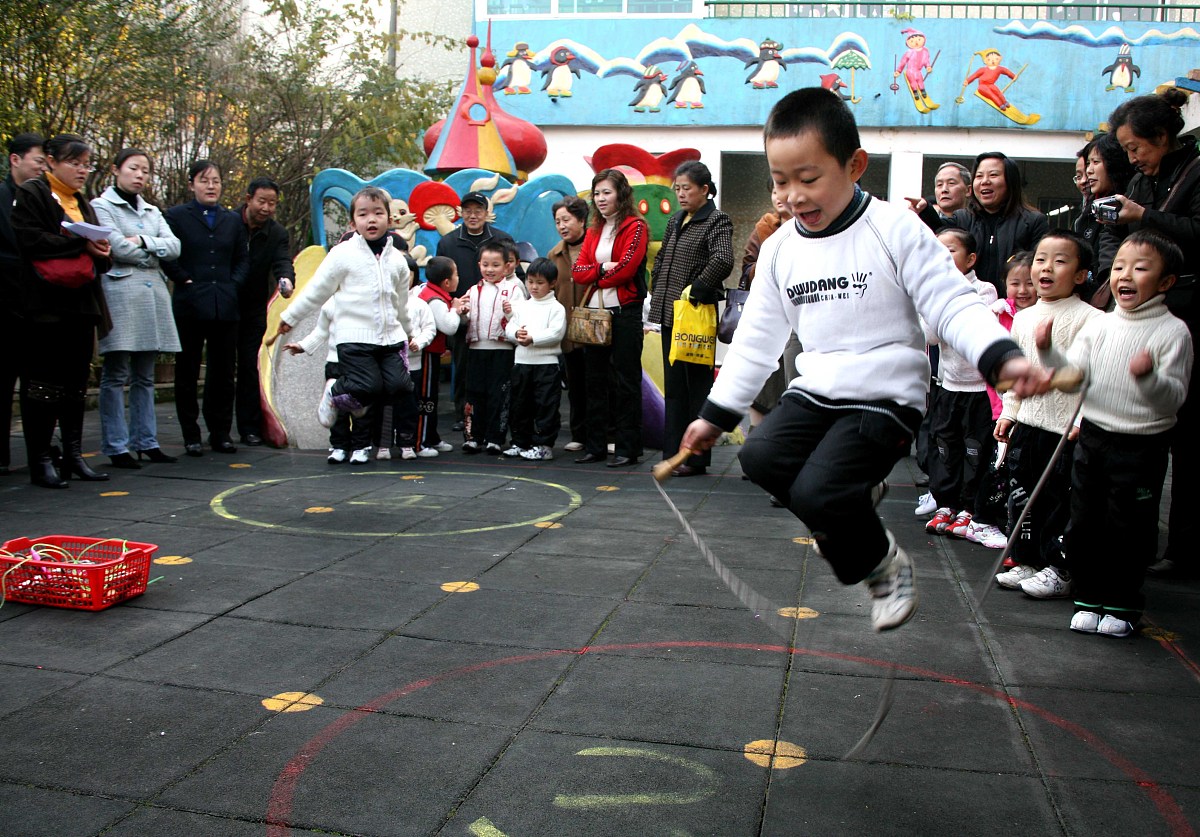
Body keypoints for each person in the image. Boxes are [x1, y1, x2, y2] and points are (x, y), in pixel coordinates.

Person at [680, 88, 1051, 632]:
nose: (793, 196)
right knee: (759, 458)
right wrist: (713, 416)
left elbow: (950, 302)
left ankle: (881, 565)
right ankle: (852, 502)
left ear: (855, 166)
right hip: (818, 386)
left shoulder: (893, 228)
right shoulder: (783, 247)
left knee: (817, 492)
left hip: (887, 392)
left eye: (808, 179)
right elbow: (758, 340)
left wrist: (1000, 355)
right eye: (780, 182)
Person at [1038, 230, 1193, 636]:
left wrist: (1147, 379)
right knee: (1084, 521)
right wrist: (1048, 353)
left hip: (1141, 443)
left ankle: (1122, 606)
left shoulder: (1172, 332)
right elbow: (1072, 380)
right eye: (1120, 265)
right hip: (1094, 436)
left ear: (1165, 283)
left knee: (1128, 527)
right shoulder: (1100, 325)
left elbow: (1172, 399)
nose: (1125, 274)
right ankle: (1088, 596)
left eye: (1140, 268)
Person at [1099, 89, 1200, 579]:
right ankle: (1135, 539)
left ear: (1163, 137)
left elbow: (1194, 231)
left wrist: (1145, 218)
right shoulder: (1141, 178)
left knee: (1184, 434)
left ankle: (1183, 547)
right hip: (1136, 313)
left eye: (1136, 147)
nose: (1132, 157)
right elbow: (1123, 238)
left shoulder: (1195, 172)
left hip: (1186, 309)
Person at [993, 231, 1102, 594]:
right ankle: (1027, 559)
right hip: (1028, 425)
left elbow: (1090, 377)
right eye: (1041, 259)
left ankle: (1060, 566)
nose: (1047, 268)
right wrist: (1009, 412)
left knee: (1060, 500)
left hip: (1065, 429)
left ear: (1082, 274)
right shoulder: (1024, 318)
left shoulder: (1091, 319)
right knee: (1024, 495)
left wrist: (1083, 419)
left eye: (1060, 260)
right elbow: (1017, 371)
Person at [274, 186, 412, 464]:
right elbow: (316, 291)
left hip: (389, 338)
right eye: (363, 215)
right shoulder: (342, 255)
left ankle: (347, 396)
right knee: (368, 387)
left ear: (390, 219)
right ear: (353, 223)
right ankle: (335, 391)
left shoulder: (397, 261)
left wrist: (408, 332)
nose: (371, 220)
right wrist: (290, 317)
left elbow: (401, 304)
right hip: (355, 338)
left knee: (401, 385)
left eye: (377, 213)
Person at [10, 133, 113, 487]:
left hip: (81, 303)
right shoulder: (33, 193)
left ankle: (72, 455)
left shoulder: (81, 201)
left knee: (74, 383)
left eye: (87, 165)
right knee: (42, 383)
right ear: (51, 161)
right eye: (75, 163)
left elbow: (100, 252)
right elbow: (30, 239)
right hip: (44, 304)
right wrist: (79, 242)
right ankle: (40, 459)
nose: (82, 171)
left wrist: (100, 249)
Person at [90, 148, 182, 469]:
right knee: (115, 374)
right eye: (133, 168)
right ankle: (116, 445)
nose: (140, 175)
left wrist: (142, 242)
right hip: (120, 292)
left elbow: (174, 247)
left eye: (145, 170)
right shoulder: (101, 206)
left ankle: (147, 441)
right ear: (116, 170)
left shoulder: (153, 211)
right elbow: (115, 245)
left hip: (152, 295)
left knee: (145, 374)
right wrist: (148, 249)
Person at [647, 161, 735, 477]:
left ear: (705, 189)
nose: (681, 194)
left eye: (687, 188)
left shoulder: (716, 219)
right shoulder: (675, 220)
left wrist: (697, 289)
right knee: (674, 386)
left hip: (695, 315)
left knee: (695, 385)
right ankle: (672, 454)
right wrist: (655, 285)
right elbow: (663, 260)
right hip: (672, 313)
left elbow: (723, 258)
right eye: (678, 188)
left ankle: (695, 459)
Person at [162, 160, 249, 456]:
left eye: (216, 180)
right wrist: (183, 279)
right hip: (190, 302)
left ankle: (221, 432)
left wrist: (232, 284)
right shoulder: (175, 216)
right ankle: (190, 434)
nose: (211, 186)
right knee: (186, 371)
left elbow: (241, 259)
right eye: (204, 180)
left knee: (223, 372)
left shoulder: (233, 220)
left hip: (224, 304)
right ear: (191, 184)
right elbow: (167, 254)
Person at [921, 229, 999, 541]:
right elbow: (931, 336)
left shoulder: (985, 291)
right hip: (948, 384)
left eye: (950, 250)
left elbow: (967, 331)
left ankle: (969, 507)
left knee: (974, 450)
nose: (942, 256)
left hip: (978, 389)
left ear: (970, 259)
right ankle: (947, 503)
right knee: (945, 447)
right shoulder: (933, 290)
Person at [572, 169, 649, 467]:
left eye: (607, 192)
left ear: (621, 194)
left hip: (625, 312)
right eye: (597, 193)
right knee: (595, 380)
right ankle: (596, 446)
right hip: (594, 314)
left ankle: (628, 449)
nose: (601, 198)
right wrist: (604, 270)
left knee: (627, 381)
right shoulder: (593, 230)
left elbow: (628, 269)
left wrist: (598, 272)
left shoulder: (635, 227)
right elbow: (579, 273)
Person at [434, 190, 516, 431]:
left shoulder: (501, 240)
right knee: (464, 368)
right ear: (461, 213)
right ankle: (464, 415)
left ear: (486, 213)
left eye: (478, 210)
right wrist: (453, 305)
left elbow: (514, 275)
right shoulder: (448, 242)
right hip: (463, 316)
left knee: (498, 371)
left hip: (497, 319)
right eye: (467, 211)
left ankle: (497, 415)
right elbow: (441, 279)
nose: (473, 215)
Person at [925, 152, 1049, 297]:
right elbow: (937, 232)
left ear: (1010, 181)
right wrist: (924, 211)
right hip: (971, 304)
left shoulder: (1033, 221)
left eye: (993, 175)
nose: (985, 181)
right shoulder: (962, 219)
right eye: (979, 176)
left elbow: (1040, 267)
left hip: (1015, 308)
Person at [0, 133, 46, 475]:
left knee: (38, 384)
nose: (42, 167)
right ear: (15, 160)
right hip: (6, 300)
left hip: (38, 302)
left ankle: (39, 453)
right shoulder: (3, 198)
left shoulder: (45, 199)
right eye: (38, 160)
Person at [236, 177, 294, 447]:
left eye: (272, 203)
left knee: (250, 365)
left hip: (253, 306)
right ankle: (218, 430)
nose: (267, 208)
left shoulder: (277, 233)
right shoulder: (229, 223)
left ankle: (249, 428)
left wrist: (286, 279)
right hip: (223, 303)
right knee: (222, 368)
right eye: (262, 201)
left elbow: (283, 261)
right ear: (248, 199)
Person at [461, 240, 527, 454]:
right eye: (486, 264)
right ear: (479, 264)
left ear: (507, 266)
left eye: (496, 265)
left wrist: (510, 312)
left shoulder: (514, 289)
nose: (490, 269)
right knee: (474, 394)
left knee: (498, 395)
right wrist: (460, 310)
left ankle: (495, 438)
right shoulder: (472, 290)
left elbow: (521, 319)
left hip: (502, 350)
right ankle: (472, 437)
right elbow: (466, 317)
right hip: (476, 349)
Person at [504, 257, 567, 460]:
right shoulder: (522, 306)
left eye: (540, 283)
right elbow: (509, 326)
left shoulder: (556, 308)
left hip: (546, 364)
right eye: (530, 281)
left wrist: (532, 339)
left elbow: (556, 333)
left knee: (545, 405)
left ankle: (544, 445)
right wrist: (516, 335)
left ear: (552, 283)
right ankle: (520, 442)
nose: (534, 287)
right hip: (521, 362)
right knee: (520, 405)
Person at [547, 195, 590, 452]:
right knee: (575, 386)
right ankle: (579, 434)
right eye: (557, 221)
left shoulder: (595, 248)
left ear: (582, 220)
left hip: (594, 328)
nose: (562, 226)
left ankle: (605, 435)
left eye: (566, 219)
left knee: (600, 384)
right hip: (566, 330)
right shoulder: (554, 254)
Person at [416, 256, 468, 456]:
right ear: (446, 282)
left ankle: (431, 437)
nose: (458, 277)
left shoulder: (429, 291)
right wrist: (455, 310)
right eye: (456, 274)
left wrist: (455, 307)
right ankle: (420, 442)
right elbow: (449, 326)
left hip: (430, 353)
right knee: (426, 398)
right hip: (426, 354)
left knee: (431, 397)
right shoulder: (435, 299)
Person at [1078, 134, 1136, 304]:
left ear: (1115, 164)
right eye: (1088, 163)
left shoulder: (1130, 207)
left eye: (1096, 162)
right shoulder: (1091, 208)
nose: (1089, 171)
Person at [393, 260, 436, 460]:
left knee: (411, 405)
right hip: (389, 363)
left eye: (408, 273)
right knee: (387, 405)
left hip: (415, 364)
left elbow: (430, 329)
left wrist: (419, 342)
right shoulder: (384, 301)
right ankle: (384, 443)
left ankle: (408, 443)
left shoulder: (419, 304)